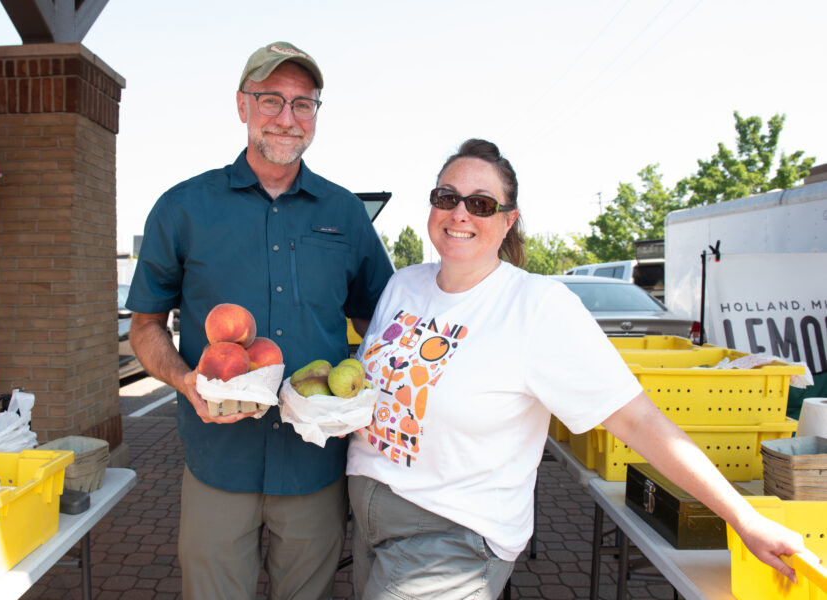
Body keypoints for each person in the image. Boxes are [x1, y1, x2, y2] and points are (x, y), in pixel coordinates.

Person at [346, 138, 806, 599]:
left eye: (481, 204)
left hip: (450, 536)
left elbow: (637, 419)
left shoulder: (537, 307)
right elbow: (376, 383)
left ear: (508, 221)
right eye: (447, 197)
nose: (460, 213)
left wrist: (742, 518)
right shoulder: (404, 285)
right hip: (370, 519)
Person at [126, 41, 394, 600]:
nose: (287, 118)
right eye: (271, 99)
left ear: (315, 114)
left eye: (303, 104)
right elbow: (146, 325)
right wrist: (184, 381)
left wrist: (362, 394)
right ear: (242, 105)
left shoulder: (345, 214)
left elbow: (383, 323)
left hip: (314, 462)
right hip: (218, 460)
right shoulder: (183, 208)